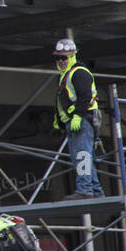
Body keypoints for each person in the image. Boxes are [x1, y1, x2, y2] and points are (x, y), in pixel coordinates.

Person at [52, 38, 103, 199]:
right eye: (58, 58)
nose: (61, 61)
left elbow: (85, 96)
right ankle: (95, 190)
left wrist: (77, 116)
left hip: (82, 119)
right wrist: (60, 119)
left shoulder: (79, 73)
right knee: (83, 156)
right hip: (75, 120)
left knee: (82, 155)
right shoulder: (67, 74)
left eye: (64, 57)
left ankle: (85, 190)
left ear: (72, 56)